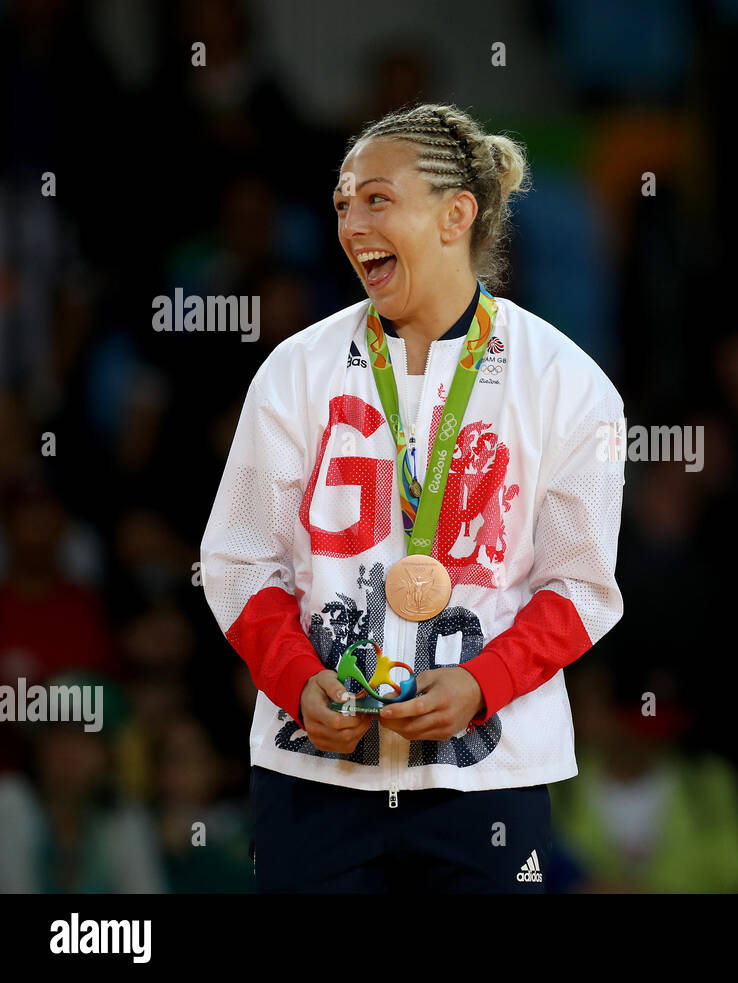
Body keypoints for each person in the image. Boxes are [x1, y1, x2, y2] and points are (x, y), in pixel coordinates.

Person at [199, 103, 625, 893]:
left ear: (455, 214)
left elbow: (582, 590)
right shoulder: (295, 371)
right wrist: (295, 677)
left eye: (376, 199)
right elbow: (236, 562)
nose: (351, 221)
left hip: (490, 773)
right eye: (341, 203)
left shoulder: (566, 382)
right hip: (313, 777)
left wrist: (481, 683)